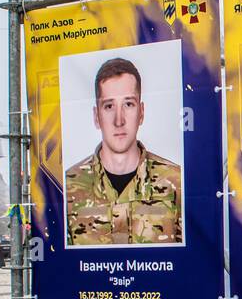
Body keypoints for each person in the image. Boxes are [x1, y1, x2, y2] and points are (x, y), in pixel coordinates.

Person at [64, 57, 182, 246]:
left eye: (128, 104)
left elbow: (190, 263)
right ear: (97, 116)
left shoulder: (175, 182)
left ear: (141, 112)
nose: (119, 120)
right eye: (109, 106)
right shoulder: (67, 186)